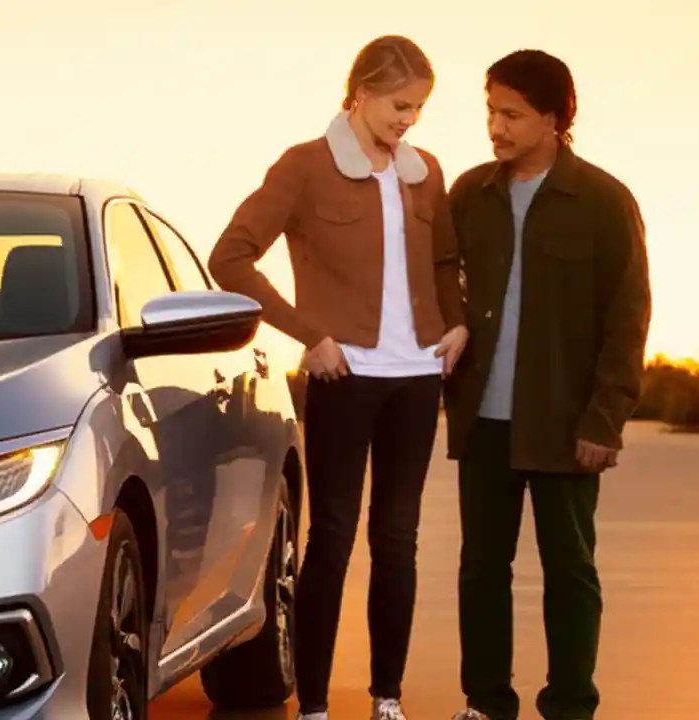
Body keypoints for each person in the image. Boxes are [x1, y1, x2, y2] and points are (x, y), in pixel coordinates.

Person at [207, 35, 468, 720]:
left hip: (418, 377)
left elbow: (445, 262)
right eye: (399, 105)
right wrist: (309, 336)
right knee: (331, 538)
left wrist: (458, 323)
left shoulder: (425, 173)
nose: (409, 120)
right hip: (343, 376)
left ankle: (387, 698)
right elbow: (230, 258)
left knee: (398, 540)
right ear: (360, 93)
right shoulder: (304, 166)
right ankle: (316, 705)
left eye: (419, 108)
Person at [442, 50, 652, 720]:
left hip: (565, 422)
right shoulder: (469, 194)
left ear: (554, 119)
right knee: (481, 570)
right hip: (483, 419)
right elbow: (438, 282)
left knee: (570, 571)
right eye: (490, 112)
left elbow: (628, 317)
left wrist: (605, 419)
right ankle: (486, 703)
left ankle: (569, 706)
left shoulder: (604, 201)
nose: (495, 127)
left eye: (512, 114)